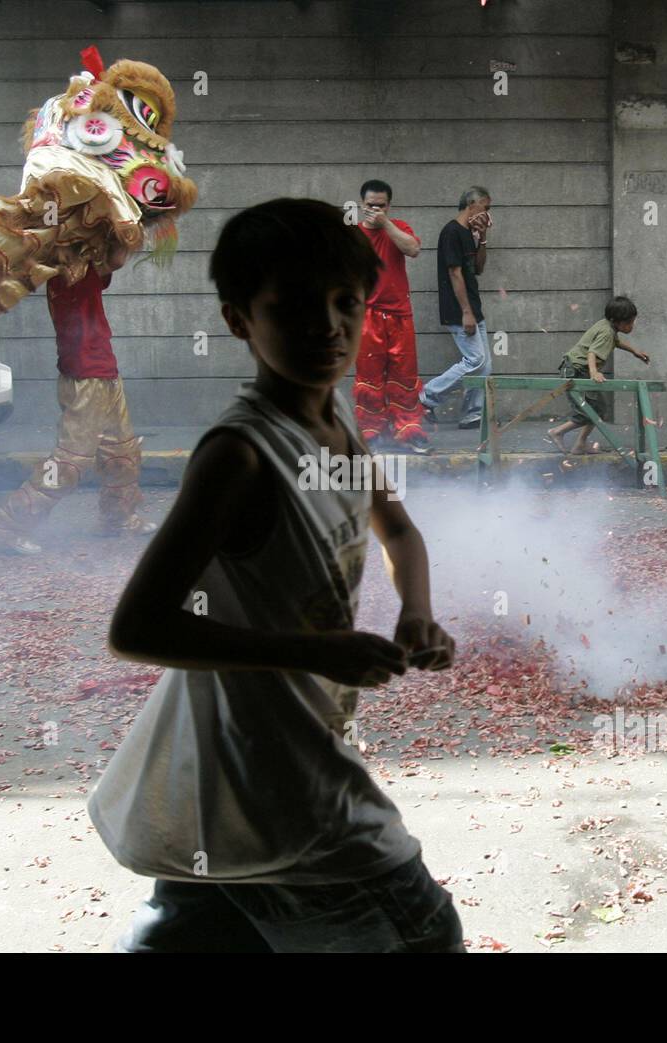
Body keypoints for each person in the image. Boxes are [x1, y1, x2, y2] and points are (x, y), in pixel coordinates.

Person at [87, 198, 463, 954]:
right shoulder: (241, 454)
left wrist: (416, 612)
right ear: (237, 320)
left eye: (344, 303)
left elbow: (399, 528)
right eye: (291, 307)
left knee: (203, 918)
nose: (327, 326)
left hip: (245, 750)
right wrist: (316, 651)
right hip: (272, 755)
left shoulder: (335, 424)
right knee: (421, 928)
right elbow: (137, 627)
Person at [0, 265, 156, 555]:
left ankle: (118, 519)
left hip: (104, 370)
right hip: (85, 376)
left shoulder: (85, 265)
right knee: (69, 463)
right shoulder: (69, 268)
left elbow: (105, 269)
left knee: (121, 453)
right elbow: (102, 260)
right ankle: (8, 524)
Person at [353, 179, 429, 454]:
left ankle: (409, 430)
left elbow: (413, 249)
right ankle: (371, 431)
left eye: (381, 205)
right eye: (371, 205)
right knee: (368, 377)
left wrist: (386, 223)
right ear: (362, 204)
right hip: (367, 317)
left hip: (399, 314)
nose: (375, 209)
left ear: (389, 205)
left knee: (404, 376)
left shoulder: (399, 228)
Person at [420, 187, 492, 430]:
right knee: (476, 359)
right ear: (473, 205)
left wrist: (482, 238)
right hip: (460, 309)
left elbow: (479, 268)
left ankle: (473, 414)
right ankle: (426, 397)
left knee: (485, 365)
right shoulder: (452, 232)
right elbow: (454, 272)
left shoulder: (469, 233)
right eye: (486, 207)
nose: (488, 213)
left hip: (473, 306)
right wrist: (466, 312)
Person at [546, 296, 649, 454]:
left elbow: (617, 342)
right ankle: (557, 432)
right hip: (577, 371)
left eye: (632, 322)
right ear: (616, 321)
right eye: (628, 323)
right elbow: (592, 352)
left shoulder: (607, 326)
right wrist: (594, 372)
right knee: (587, 411)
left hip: (577, 369)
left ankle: (580, 443)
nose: (631, 326)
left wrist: (634, 352)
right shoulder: (607, 333)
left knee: (598, 409)